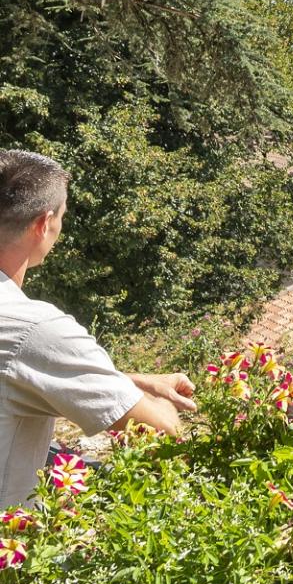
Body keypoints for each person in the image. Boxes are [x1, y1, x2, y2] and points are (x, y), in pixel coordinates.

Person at [0, 148, 197, 507]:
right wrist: (151, 399)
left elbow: (16, 375)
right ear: (43, 225)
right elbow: (161, 432)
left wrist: (129, 381)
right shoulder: (35, 328)